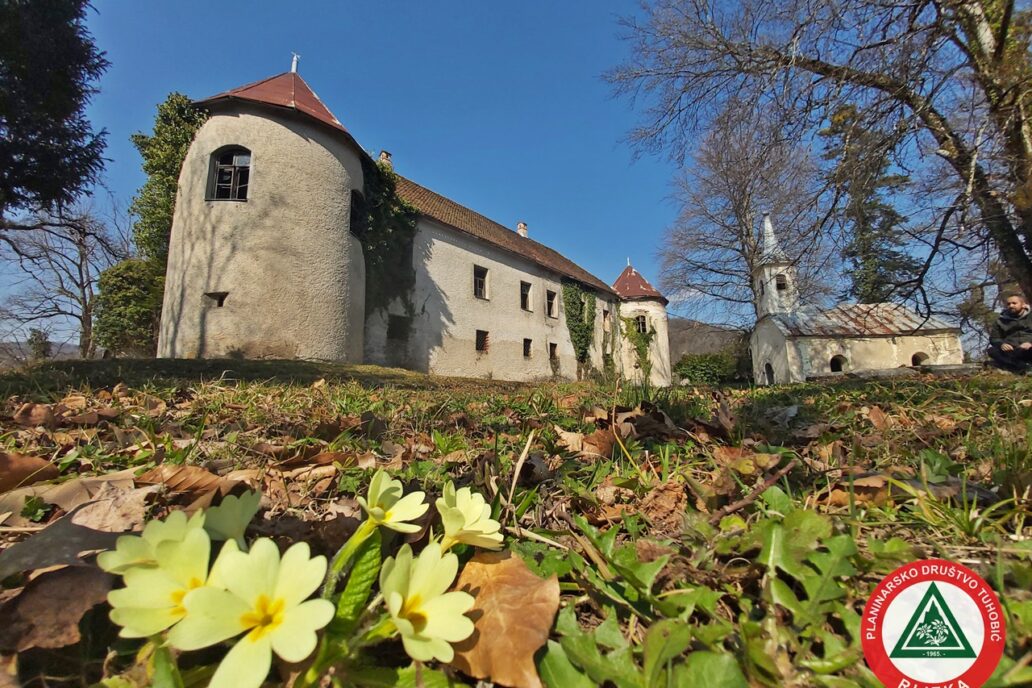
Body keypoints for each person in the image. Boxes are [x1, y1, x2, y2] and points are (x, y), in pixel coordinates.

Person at [988, 293, 1032, 373]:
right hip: (1012, 351)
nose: (1011, 306)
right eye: (1008, 304)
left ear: (1023, 305)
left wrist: (1030, 343)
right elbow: (994, 338)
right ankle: (1022, 367)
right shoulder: (1000, 321)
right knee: (992, 351)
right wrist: (1001, 344)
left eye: (1014, 303)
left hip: (1029, 349)